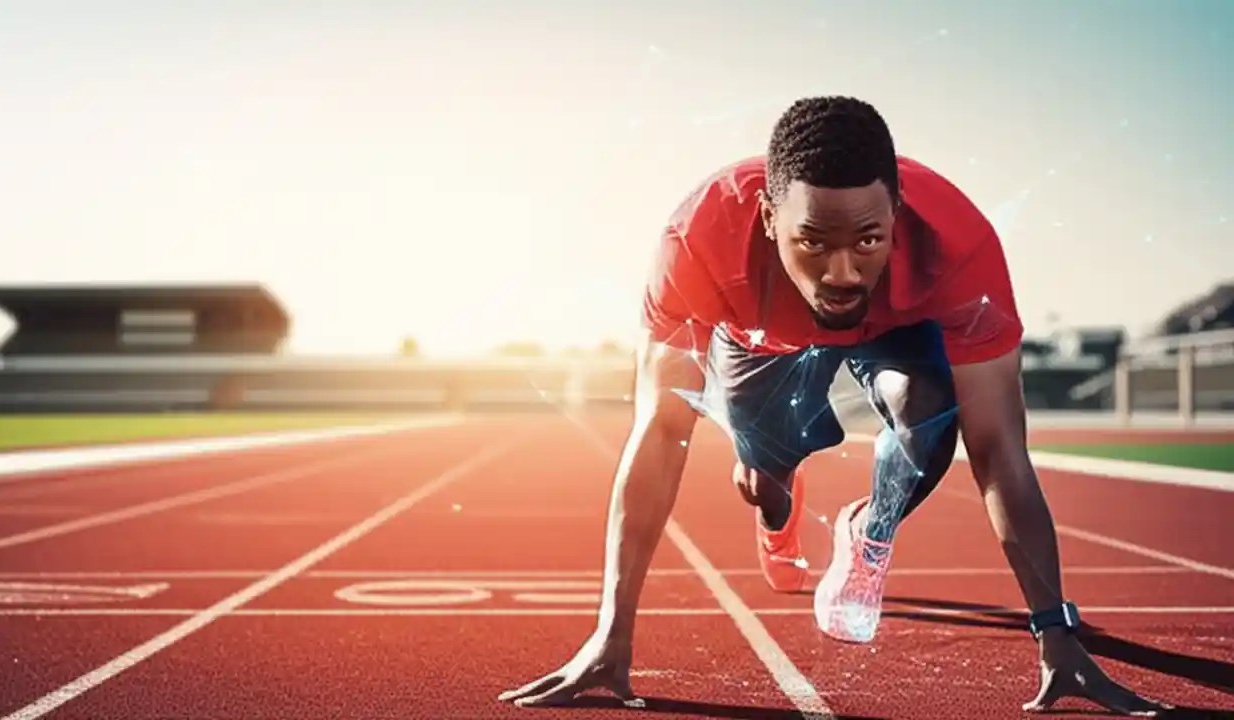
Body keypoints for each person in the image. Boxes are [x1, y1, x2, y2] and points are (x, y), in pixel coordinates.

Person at [499, 95, 1168, 716]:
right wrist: (610, 634)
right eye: (812, 242)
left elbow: (999, 452)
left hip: (897, 333)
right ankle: (776, 499)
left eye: (867, 242)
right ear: (767, 217)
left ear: (897, 216)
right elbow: (660, 430)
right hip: (760, 336)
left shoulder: (961, 251)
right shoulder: (695, 242)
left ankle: (869, 531)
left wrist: (1055, 630)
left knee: (935, 416)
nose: (842, 273)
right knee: (762, 480)